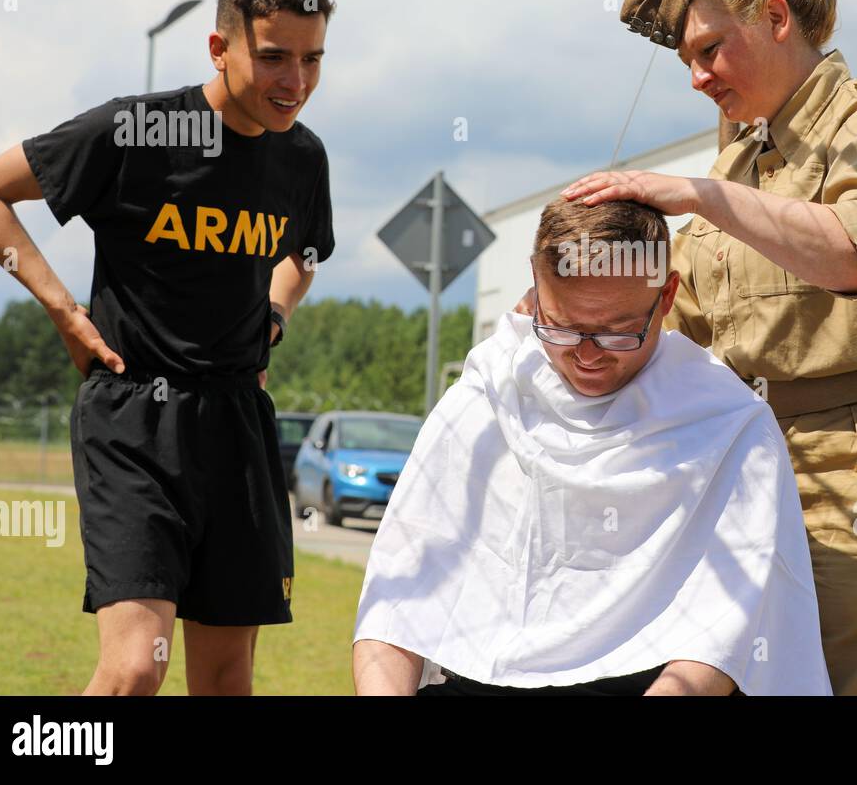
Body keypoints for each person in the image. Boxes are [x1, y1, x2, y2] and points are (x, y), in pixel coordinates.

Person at [555, 0, 857, 695]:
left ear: (777, 19)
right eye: (688, 59)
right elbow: (677, 310)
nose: (697, 77)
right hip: (762, 458)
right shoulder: (746, 160)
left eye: (709, 50)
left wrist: (699, 196)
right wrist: (562, 311)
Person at [0, 0, 336, 695]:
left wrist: (273, 315)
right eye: (272, 57)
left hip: (236, 423)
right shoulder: (137, 128)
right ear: (219, 48)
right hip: (133, 414)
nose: (294, 81)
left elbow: (306, 252)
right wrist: (64, 310)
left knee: (226, 679)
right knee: (135, 669)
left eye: (312, 58)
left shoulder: (301, 156)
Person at [352, 199, 830, 696]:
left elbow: (726, 638)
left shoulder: (729, 423)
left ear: (666, 297)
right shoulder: (489, 395)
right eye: (560, 326)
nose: (585, 355)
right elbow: (395, 605)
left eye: (617, 333)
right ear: (535, 291)